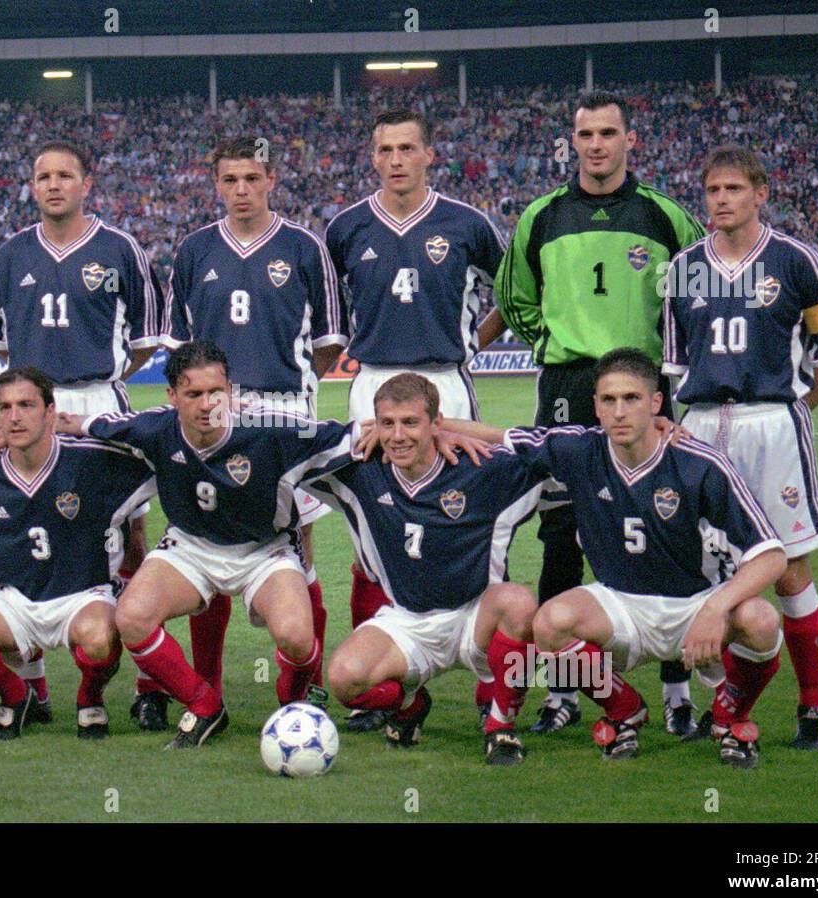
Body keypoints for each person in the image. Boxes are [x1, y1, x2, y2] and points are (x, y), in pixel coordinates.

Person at [449, 349, 787, 767]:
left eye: (632, 398)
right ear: (595, 406)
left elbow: (771, 555)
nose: (619, 411)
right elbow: (498, 436)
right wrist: (432, 429)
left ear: (656, 403)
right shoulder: (578, 450)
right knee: (550, 623)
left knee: (762, 620)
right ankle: (625, 709)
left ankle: (728, 717)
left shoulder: (699, 463)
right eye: (608, 400)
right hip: (621, 606)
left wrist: (716, 608)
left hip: (694, 606)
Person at [495, 91, 708, 737]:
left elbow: (697, 302)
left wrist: (667, 372)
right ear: (572, 141)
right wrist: (554, 347)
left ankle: (676, 691)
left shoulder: (668, 218)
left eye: (608, 133)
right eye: (585, 134)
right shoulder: (541, 217)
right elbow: (513, 296)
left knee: (667, 529)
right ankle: (565, 689)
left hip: (644, 385)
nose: (596, 145)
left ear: (628, 140)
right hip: (567, 382)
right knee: (561, 536)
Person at [56, 341, 363, 749]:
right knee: (131, 618)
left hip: (265, 552)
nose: (206, 405)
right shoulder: (156, 430)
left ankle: (292, 705)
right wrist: (60, 423)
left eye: (216, 392)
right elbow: (96, 424)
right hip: (191, 548)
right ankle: (204, 705)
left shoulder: (272, 430)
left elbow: (349, 436)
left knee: (297, 637)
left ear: (231, 391)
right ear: (172, 397)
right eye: (193, 394)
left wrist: (425, 429)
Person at [662, 144, 818, 750]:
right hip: (697, 426)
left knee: (791, 568)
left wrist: (794, 411)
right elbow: (673, 366)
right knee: (696, 568)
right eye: (713, 190)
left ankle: (812, 711)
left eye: (733, 190)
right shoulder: (682, 268)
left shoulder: (798, 261)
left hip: (772, 424)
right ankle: (721, 699)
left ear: (760, 192)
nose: (721, 200)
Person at [324, 107, 507, 730]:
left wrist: (473, 346)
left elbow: (509, 295)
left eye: (407, 148)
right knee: (368, 538)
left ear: (430, 154)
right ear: (372, 157)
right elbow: (327, 313)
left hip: (445, 387)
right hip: (370, 384)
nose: (396, 159)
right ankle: (386, 675)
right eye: (385, 149)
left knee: (475, 523)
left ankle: (492, 687)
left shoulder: (466, 223)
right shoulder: (346, 228)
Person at [0, 140, 167, 730]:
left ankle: (144, 685)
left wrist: (91, 392)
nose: (53, 184)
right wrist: (35, 401)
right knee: (15, 529)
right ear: (32, 186)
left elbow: (143, 343)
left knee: (130, 534)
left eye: (65, 175)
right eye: (42, 176)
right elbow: (2, 345)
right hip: (30, 406)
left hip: (95, 404)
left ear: (87, 183)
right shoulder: (10, 255)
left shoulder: (120, 250)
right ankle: (32, 687)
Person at [162, 136, 346, 710]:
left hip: (284, 410)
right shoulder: (194, 250)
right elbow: (179, 345)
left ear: (270, 180)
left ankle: (304, 675)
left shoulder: (304, 247)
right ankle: (208, 683)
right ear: (216, 184)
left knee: (298, 545)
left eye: (251, 178)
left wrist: (282, 385)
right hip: (213, 411)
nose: (241, 190)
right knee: (208, 535)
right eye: (229, 180)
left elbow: (327, 344)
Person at [305, 373, 540, 765]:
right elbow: (293, 441)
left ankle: (500, 725)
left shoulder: (481, 467)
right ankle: (411, 704)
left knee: (519, 604)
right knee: (345, 679)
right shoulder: (360, 469)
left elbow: (562, 452)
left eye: (411, 423)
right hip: (408, 622)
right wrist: (359, 433)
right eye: (387, 423)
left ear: (437, 423)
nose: (398, 436)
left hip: (474, 616)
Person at [0, 367, 154, 740]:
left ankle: (89, 697)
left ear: (50, 411)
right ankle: (18, 694)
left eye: (26, 405)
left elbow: (165, 451)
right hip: (11, 599)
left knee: (102, 640)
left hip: (83, 595)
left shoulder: (92, 460)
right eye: (5, 407)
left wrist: (91, 425)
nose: (14, 416)